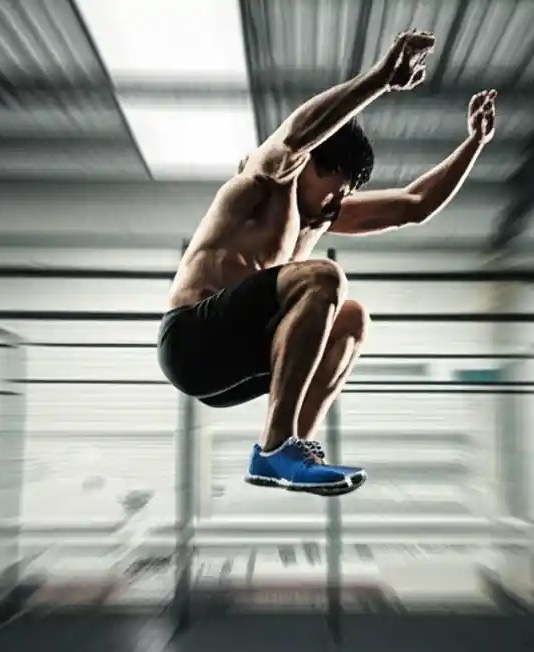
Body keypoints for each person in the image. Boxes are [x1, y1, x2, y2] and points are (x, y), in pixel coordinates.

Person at [157, 29, 498, 497]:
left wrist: (474, 143)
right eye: (335, 189)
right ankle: (276, 447)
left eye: (347, 194)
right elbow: (295, 135)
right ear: (309, 166)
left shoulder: (319, 216)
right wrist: (380, 79)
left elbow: (414, 205)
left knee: (352, 318)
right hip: (192, 341)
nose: (339, 203)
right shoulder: (262, 183)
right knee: (323, 276)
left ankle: (293, 450)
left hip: (233, 366)